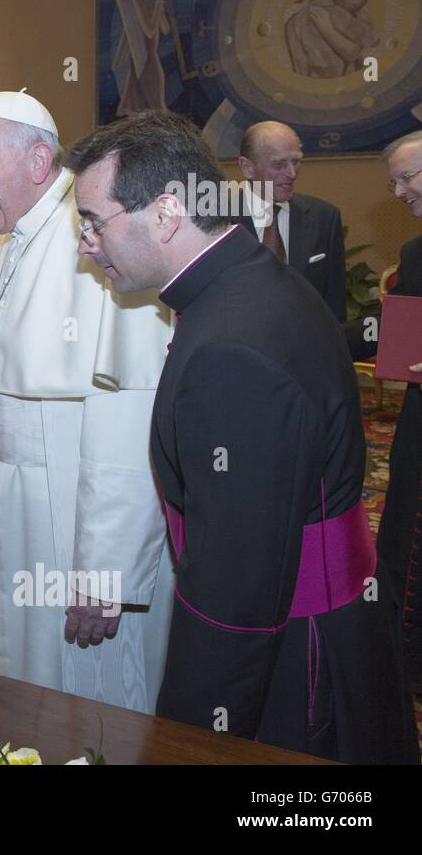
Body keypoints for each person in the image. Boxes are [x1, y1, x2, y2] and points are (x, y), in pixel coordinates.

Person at [69, 111, 417, 763]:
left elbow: (235, 594)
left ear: (167, 211)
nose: (85, 242)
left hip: (294, 648)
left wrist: (187, 739)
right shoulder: (245, 277)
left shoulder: (230, 348)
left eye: (94, 220)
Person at [0, 90, 175, 713]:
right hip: (12, 504)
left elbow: (132, 420)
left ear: (39, 161)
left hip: (75, 518)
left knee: (82, 694)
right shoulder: (4, 243)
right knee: (15, 683)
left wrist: (107, 571)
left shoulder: (104, 238)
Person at [346, 129, 422, 692]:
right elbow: (387, 336)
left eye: (407, 177)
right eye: (394, 181)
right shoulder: (416, 254)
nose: (398, 192)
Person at [235, 120, 346, 321]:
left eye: (296, 161)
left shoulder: (324, 217)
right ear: (247, 167)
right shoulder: (216, 220)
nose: (292, 173)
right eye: (279, 164)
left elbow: (334, 306)